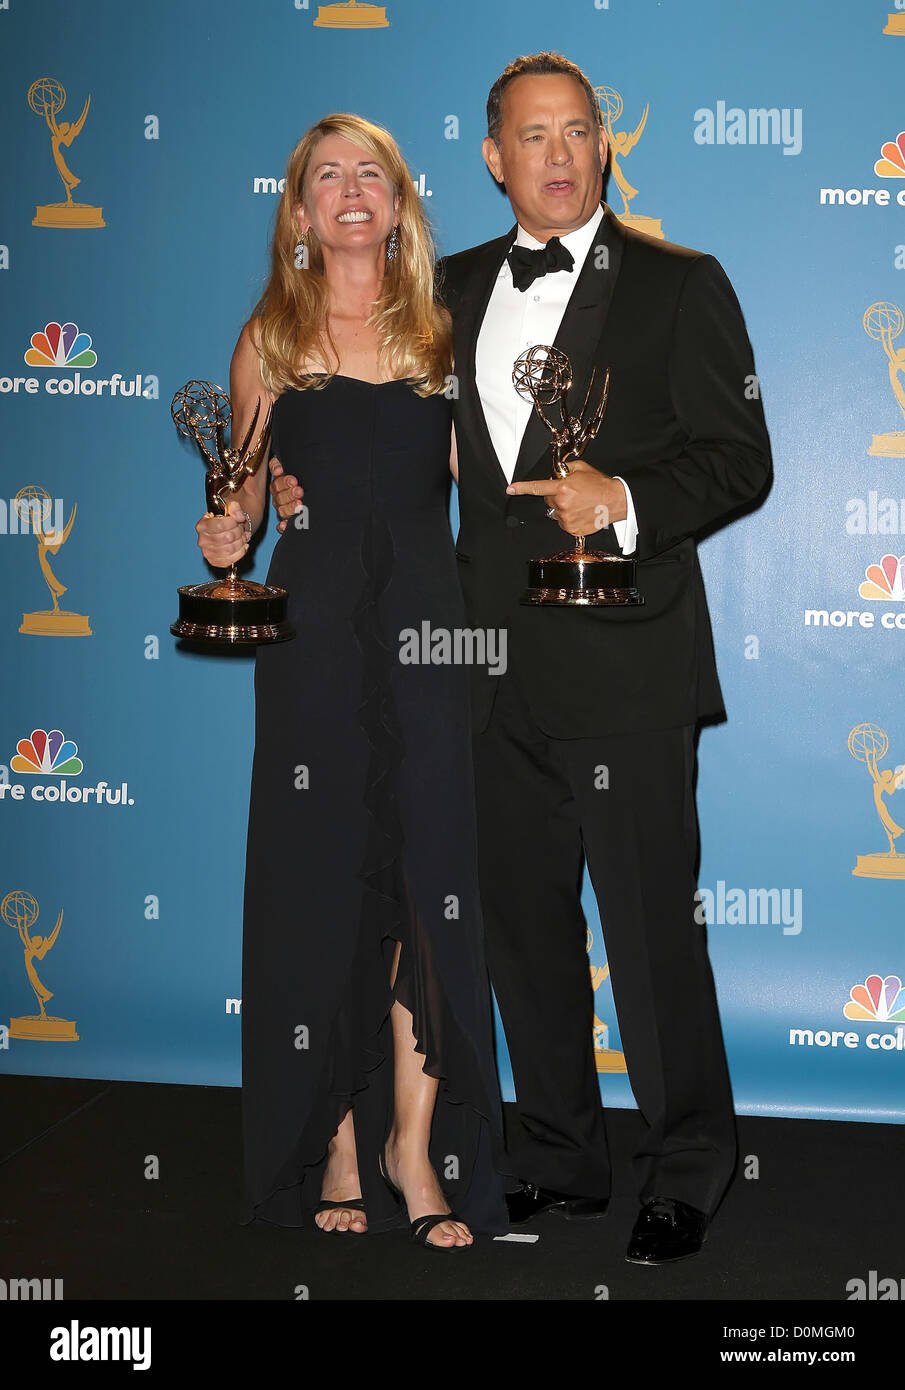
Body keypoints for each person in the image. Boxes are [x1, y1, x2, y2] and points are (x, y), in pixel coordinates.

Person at [272, 54, 773, 1265]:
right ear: (492, 158)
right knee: (521, 937)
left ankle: (686, 1167)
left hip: (629, 667)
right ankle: (557, 1153)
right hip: (476, 673)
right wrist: (291, 488)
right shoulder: (439, 291)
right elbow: (369, 426)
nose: (557, 155)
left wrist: (627, 499)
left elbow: (738, 457)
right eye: (530, 137)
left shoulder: (676, 283)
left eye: (577, 132)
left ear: (603, 147)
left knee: (650, 935)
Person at [197, 111, 508, 1249]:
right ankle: (333, 1139)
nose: (347, 189)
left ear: (398, 200)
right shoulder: (267, 341)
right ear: (297, 209)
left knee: (428, 886)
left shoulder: (442, 335)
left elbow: (489, 502)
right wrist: (226, 534)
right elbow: (237, 491)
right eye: (323, 175)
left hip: (430, 637)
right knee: (322, 882)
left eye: (366, 171)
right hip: (315, 644)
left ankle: (411, 1149)